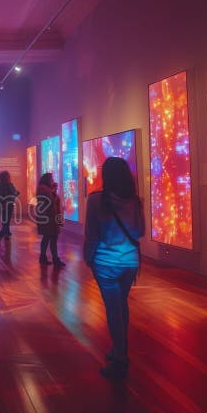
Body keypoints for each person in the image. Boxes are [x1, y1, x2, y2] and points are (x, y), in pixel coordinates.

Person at [83, 157, 145, 380]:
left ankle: (120, 357)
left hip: (105, 262)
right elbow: (140, 231)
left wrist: (88, 258)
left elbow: (92, 234)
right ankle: (119, 348)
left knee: (113, 309)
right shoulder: (135, 201)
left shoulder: (96, 200)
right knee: (121, 305)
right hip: (130, 262)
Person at [36, 173, 65, 267]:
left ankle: (45, 258)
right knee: (51, 238)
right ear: (47, 180)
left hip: (49, 217)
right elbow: (51, 201)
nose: (53, 180)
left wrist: (53, 190)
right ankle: (53, 259)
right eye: (51, 179)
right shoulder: (44, 189)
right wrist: (53, 189)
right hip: (49, 218)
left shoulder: (43, 188)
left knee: (48, 237)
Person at [0, 170, 20, 246]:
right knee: (6, 222)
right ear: (7, 177)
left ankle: (7, 234)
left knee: (5, 221)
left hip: (1, 205)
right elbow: (14, 193)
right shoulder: (9, 184)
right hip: (9, 205)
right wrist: (17, 193)